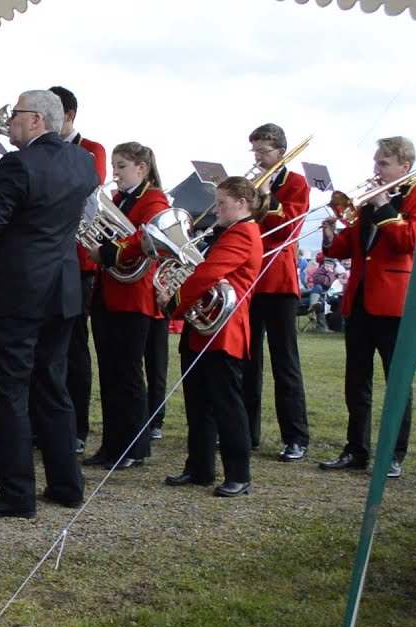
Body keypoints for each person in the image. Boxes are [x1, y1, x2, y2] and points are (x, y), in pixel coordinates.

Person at [0, 89, 98, 518]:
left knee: (10, 390)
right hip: (61, 288)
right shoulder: (83, 162)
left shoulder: (16, 163)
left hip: (19, 291)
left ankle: (17, 491)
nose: (11, 122)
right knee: (53, 385)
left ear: (37, 120)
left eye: (17, 115)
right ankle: (66, 484)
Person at [319, 137, 416, 479]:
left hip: (394, 303)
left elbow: (407, 241)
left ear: (403, 167)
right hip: (360, 301)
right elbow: (346, 249)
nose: (375, 170)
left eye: (383, 164)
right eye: (376, 162)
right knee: (357, 381)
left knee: (397, 382)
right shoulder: (367, 203)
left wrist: (382, 206)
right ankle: (356, 449)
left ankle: (393, 453)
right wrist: (330, 232)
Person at [164, 177, 264, 497]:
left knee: (226, 405)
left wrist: (175, 301)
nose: (216, 209)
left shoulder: (244, 233)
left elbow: (208, 273)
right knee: (198, 402)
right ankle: (199, 467)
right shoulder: (226, 232)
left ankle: (239, 473)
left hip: (224, 330)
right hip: (205, 326)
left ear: (243, 204)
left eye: (222, 203)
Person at [84, 142, 169, 471]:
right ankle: (111, 444)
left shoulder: (154, 199)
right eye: (115, 166)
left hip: (134, 296)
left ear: (141, 168)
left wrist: (107, 252)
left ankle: (133, 446)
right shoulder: (118, 200)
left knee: (129, 373)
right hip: (108, 292)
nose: (114, 173)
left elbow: (145, 237)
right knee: (109, 374)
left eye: (120, 166)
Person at [242, 124, 311, 462]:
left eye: (264, 152)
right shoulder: (250, 184)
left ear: (281, 152)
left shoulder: (296, 183)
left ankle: (295, 437)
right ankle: (245, 432)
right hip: (250, 280)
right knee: (247, 360)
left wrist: (266, 195)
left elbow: (290, 227)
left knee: (285, 363)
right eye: (255, 152)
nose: (258, 158)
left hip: (279, 281)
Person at [49, 86, 108, 455]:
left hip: (79, 258)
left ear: (68, 116)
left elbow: (86, 187)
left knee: (73, 348)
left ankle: (77, 427)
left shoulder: (91, 149)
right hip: (49, 256)